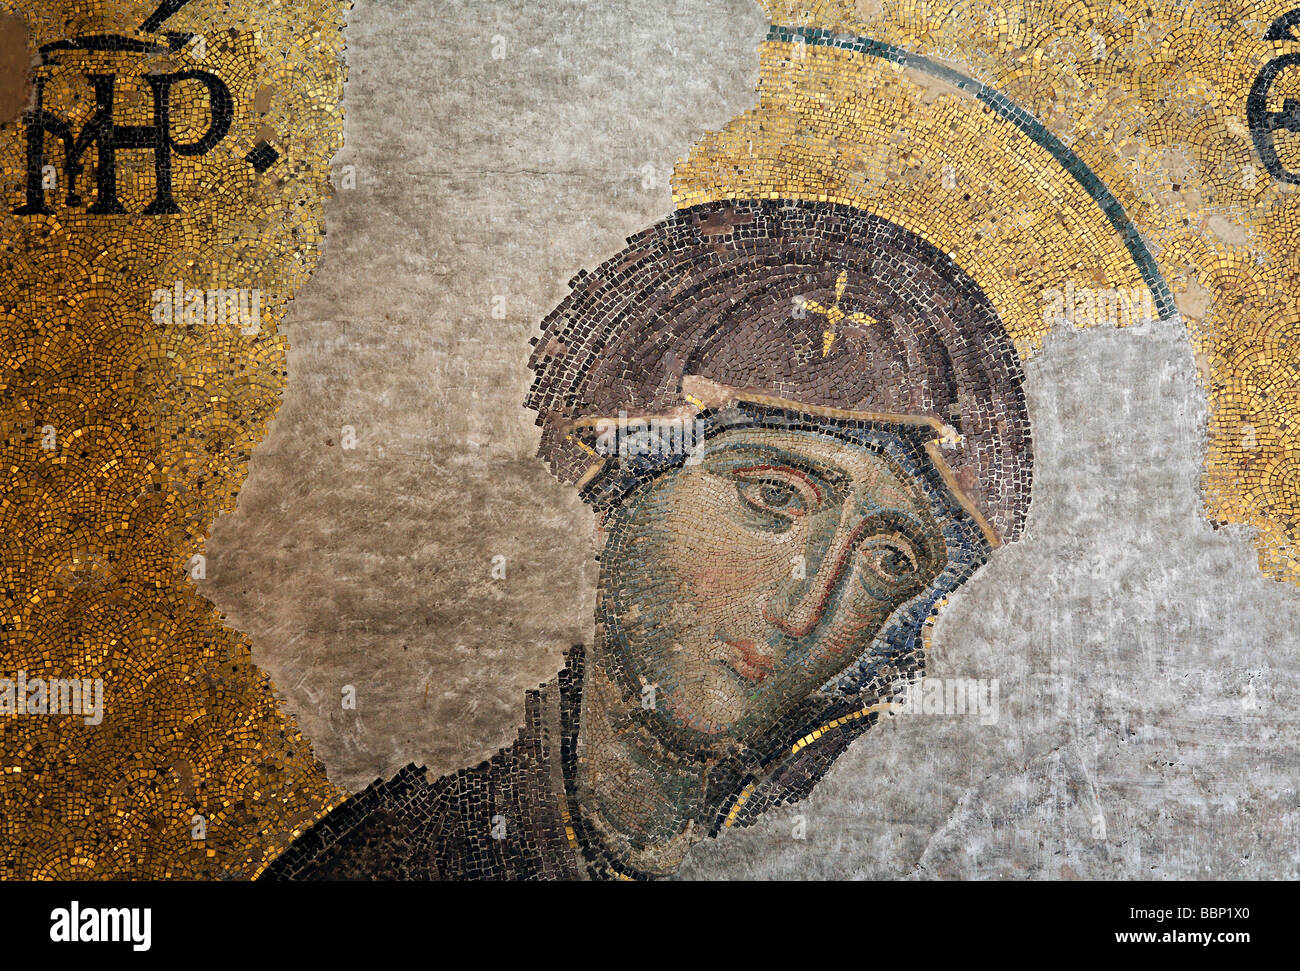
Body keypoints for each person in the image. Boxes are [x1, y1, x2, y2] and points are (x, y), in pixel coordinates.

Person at [260, 198, 1032, 880]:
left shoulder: (877, 846)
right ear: (608, 498)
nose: (805, 611)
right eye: (772, 496)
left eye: (888, 560)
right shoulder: (400, 860)